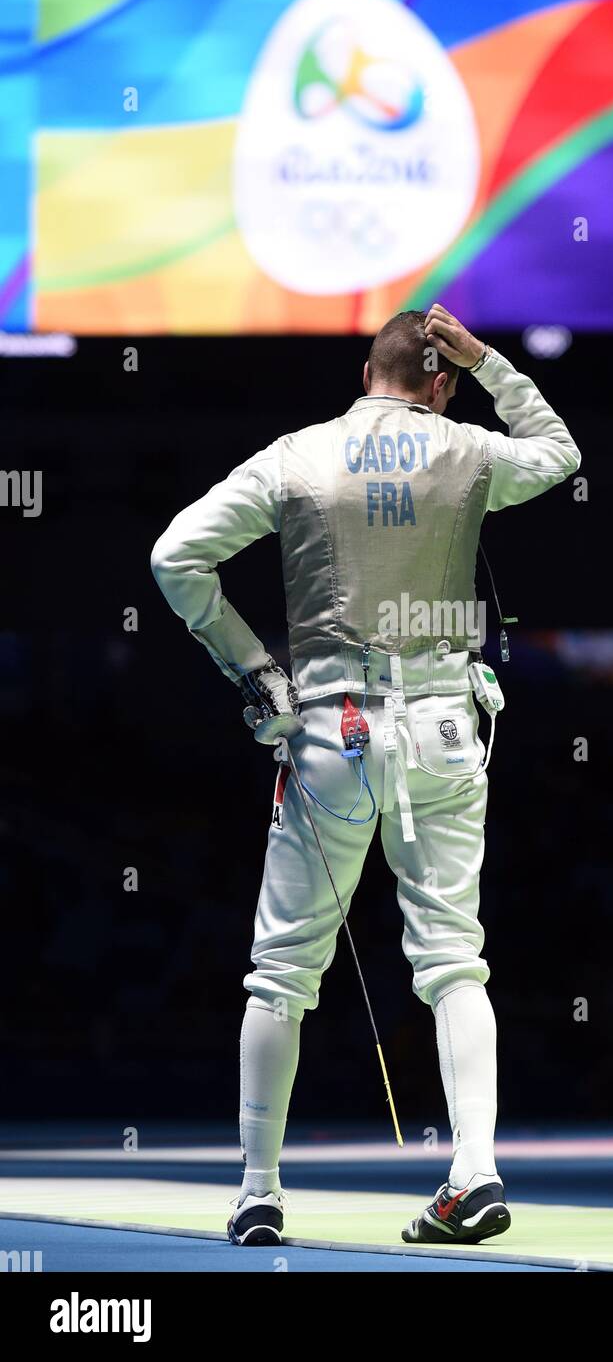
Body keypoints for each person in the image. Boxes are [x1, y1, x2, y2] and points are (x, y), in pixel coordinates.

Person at [150, 303, 580, 1246]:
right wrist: (491, 361)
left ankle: (259, 1190)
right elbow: (557, 453)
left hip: (330, 739)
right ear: (440, 382)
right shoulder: (467, 449)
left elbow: (174, 555)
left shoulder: (297, 456)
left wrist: (257, 672)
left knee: (280, 975)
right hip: (440, 735)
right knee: (453, 960)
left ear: (364, 374)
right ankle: (473, 1174)